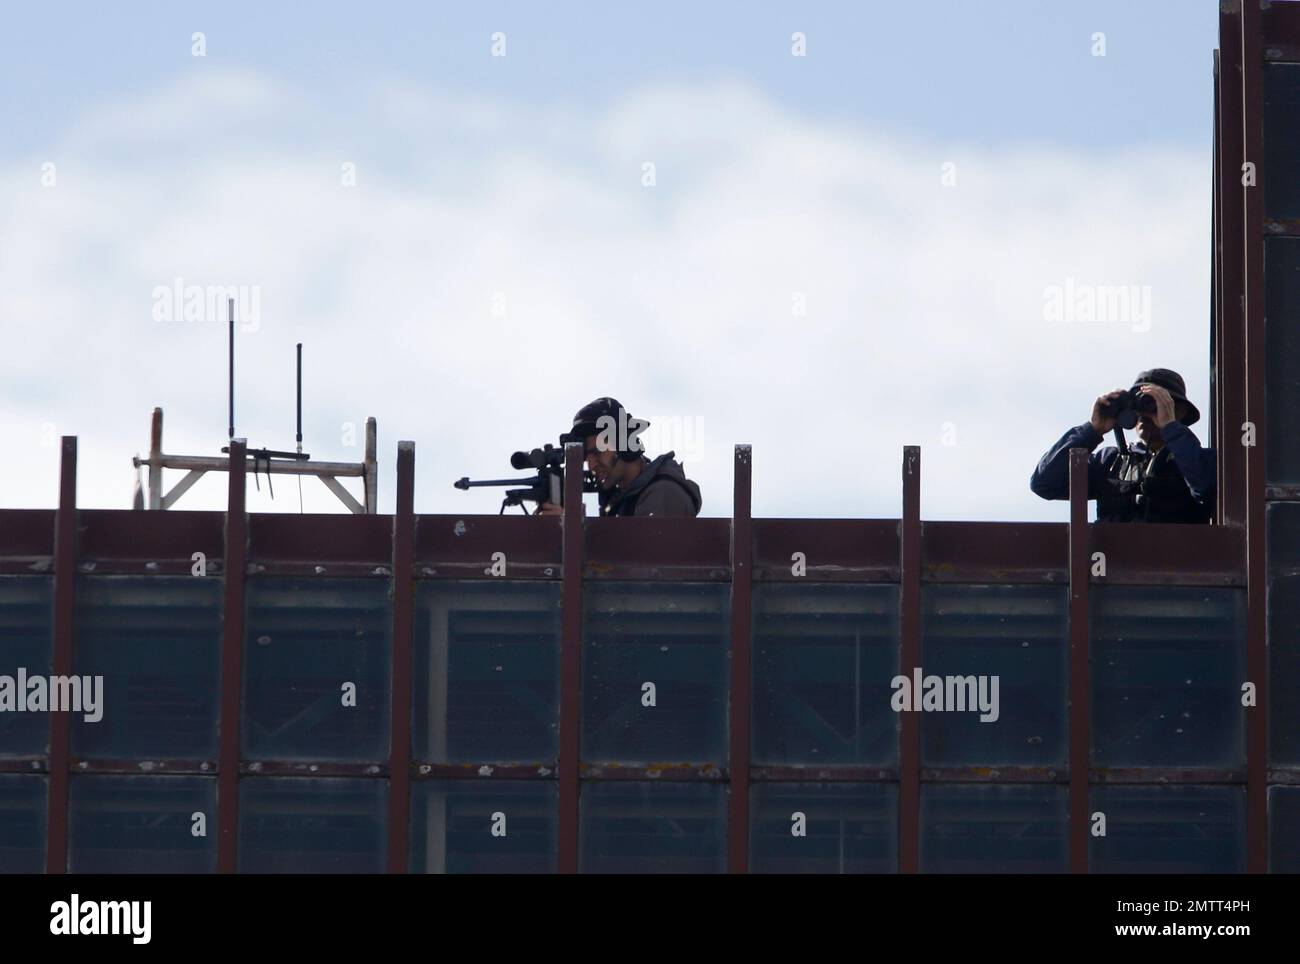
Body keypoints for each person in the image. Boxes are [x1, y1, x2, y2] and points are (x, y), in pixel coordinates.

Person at [1029, 368, 1215, 523]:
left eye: (1153, 404)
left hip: (1178, 563)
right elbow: (1044, 483)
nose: (1144, 413)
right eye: (1138, 404)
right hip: (1109, 564)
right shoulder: (1110, 460)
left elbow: (1207, 487)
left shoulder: (1196, 460)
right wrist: (1092, 429)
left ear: (1179, 412)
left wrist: (1171, 428)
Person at [537, 397, 702, 517]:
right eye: (587, 457)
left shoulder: (663, 493)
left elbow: (642, 559)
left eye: (597, 452)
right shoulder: (622, 500)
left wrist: (577, 532)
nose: (592, 465)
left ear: (625, 444)